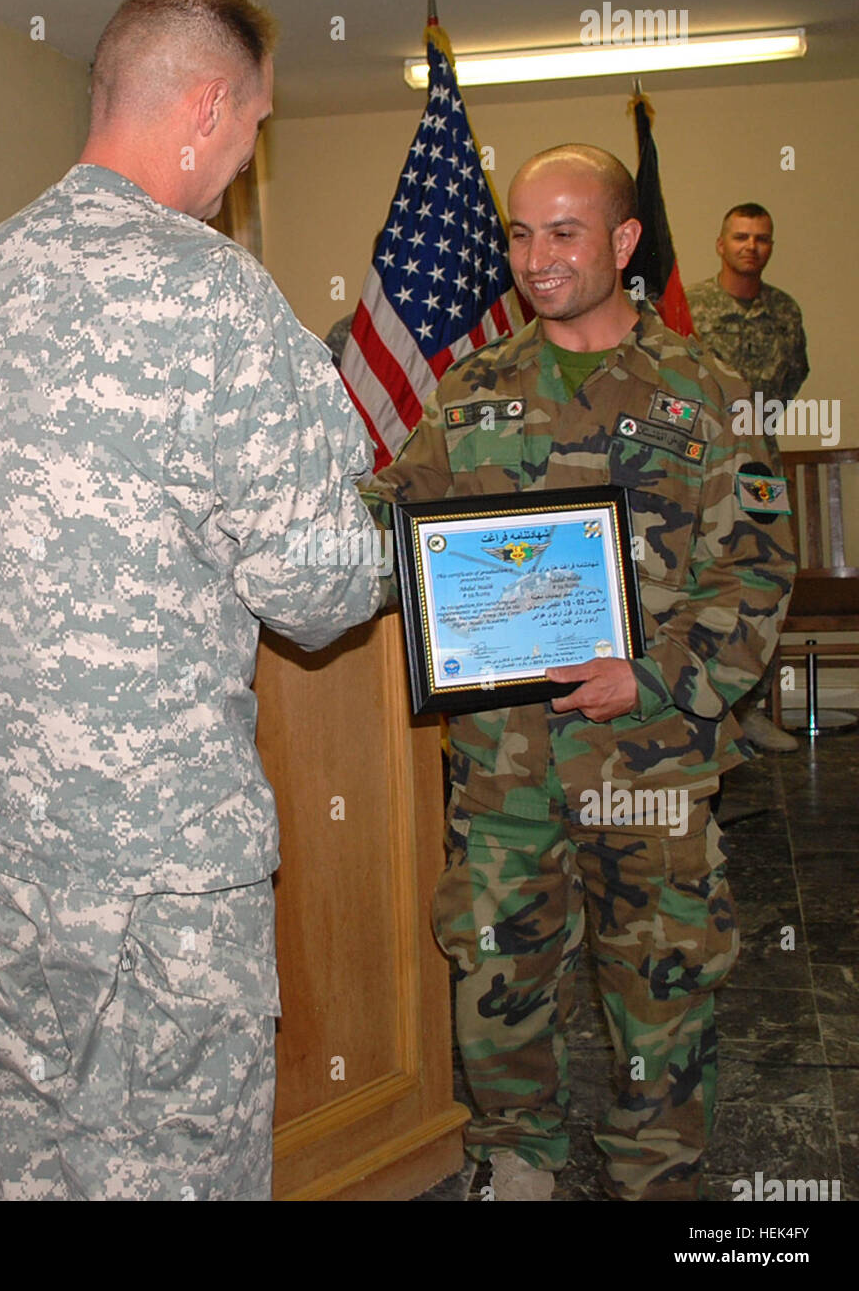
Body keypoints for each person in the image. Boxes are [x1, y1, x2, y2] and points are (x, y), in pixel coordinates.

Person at [0, 0, 381, 1201]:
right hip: (157, 866)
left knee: (35, 1150)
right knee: (184, 1171)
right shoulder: (215, 299)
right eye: (255, 129)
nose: (242, 164)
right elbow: (316, 593)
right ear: (208, 106)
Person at [360, 145, 795, 1201]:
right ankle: (517, 1154)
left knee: (661, 983)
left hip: (648, 761)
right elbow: (393, 524)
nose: (536, 257)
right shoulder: (469, 390)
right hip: (503, 767)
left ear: (622, 241)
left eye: (562, 232)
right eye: (519, 233)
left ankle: (655, 1173)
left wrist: (648, 674)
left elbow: (754, 570)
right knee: (495, 971)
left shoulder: (707, 390)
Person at [686, 203, 808, 752]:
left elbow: (794, 374)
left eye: (761, 238)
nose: (750, 246)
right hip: (702, 464)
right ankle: (703, 706)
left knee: (764, 569)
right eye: (740, 236)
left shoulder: (785, 310)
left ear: (771, 246)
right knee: (705, 568)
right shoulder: (689, 306)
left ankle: (752, 708)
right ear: (720, 244)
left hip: (763, 467)